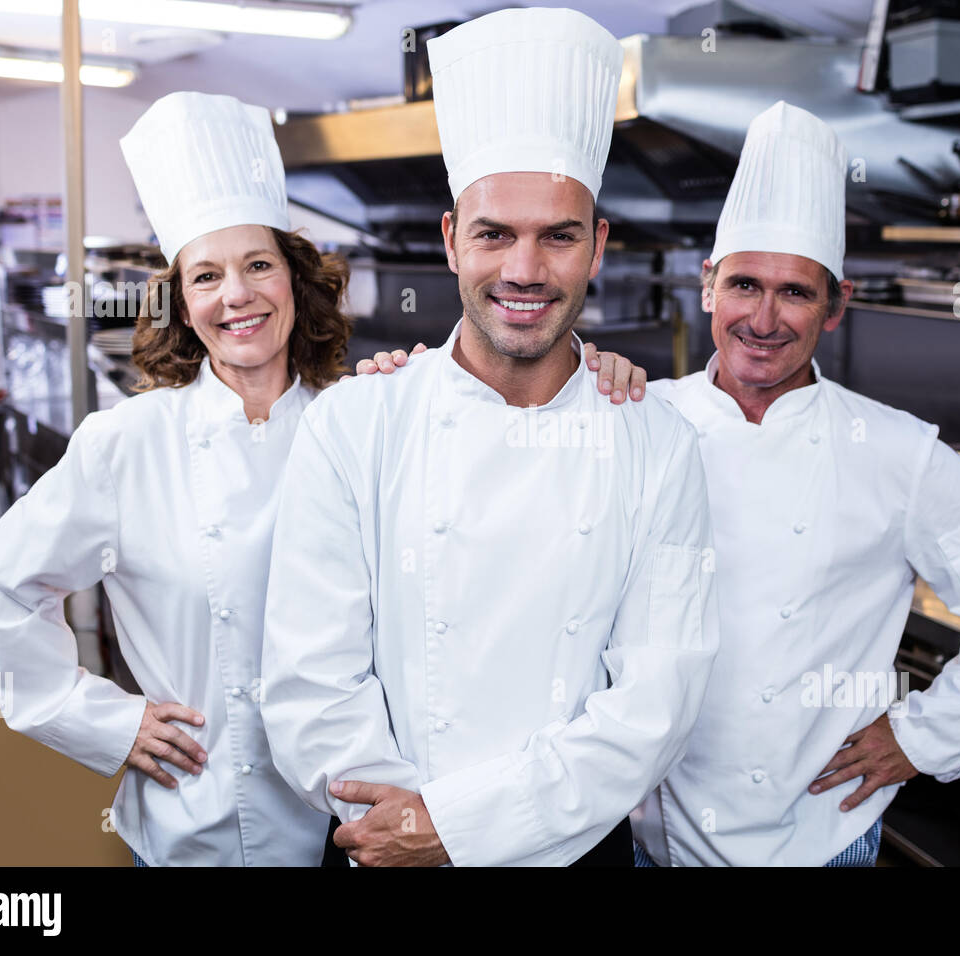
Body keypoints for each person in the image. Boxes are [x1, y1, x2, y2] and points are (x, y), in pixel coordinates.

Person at [363, 101, 960, 867]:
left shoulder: (898, 453)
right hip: (640, 833)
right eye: (744, 285)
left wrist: (920, 736)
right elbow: (492, 496)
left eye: (796, 292)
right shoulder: (638, 416)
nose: (763, 319)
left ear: (836, 306)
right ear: (707, 287)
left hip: (816, 837)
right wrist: (412, 389)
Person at [259, 6, 719, 868]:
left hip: (575, 851)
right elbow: (309, 682)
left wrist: (463, 827)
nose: (524, 270)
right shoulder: (355, 423)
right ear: (449, 241)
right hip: (380, 840)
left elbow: (658, 701)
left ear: (598, 248)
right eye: (494, 233)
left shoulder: (659, 442)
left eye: (559, 237)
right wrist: (404, 825)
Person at [0, 91, 349, 865]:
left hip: (354, 826)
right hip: (201, 827)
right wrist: (101, 719)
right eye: (206, 276)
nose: (236, 294)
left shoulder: (354, 422)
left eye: (258, 265)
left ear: (295, 283)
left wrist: (591, 370)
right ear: (181, 303)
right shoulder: (127, 443)